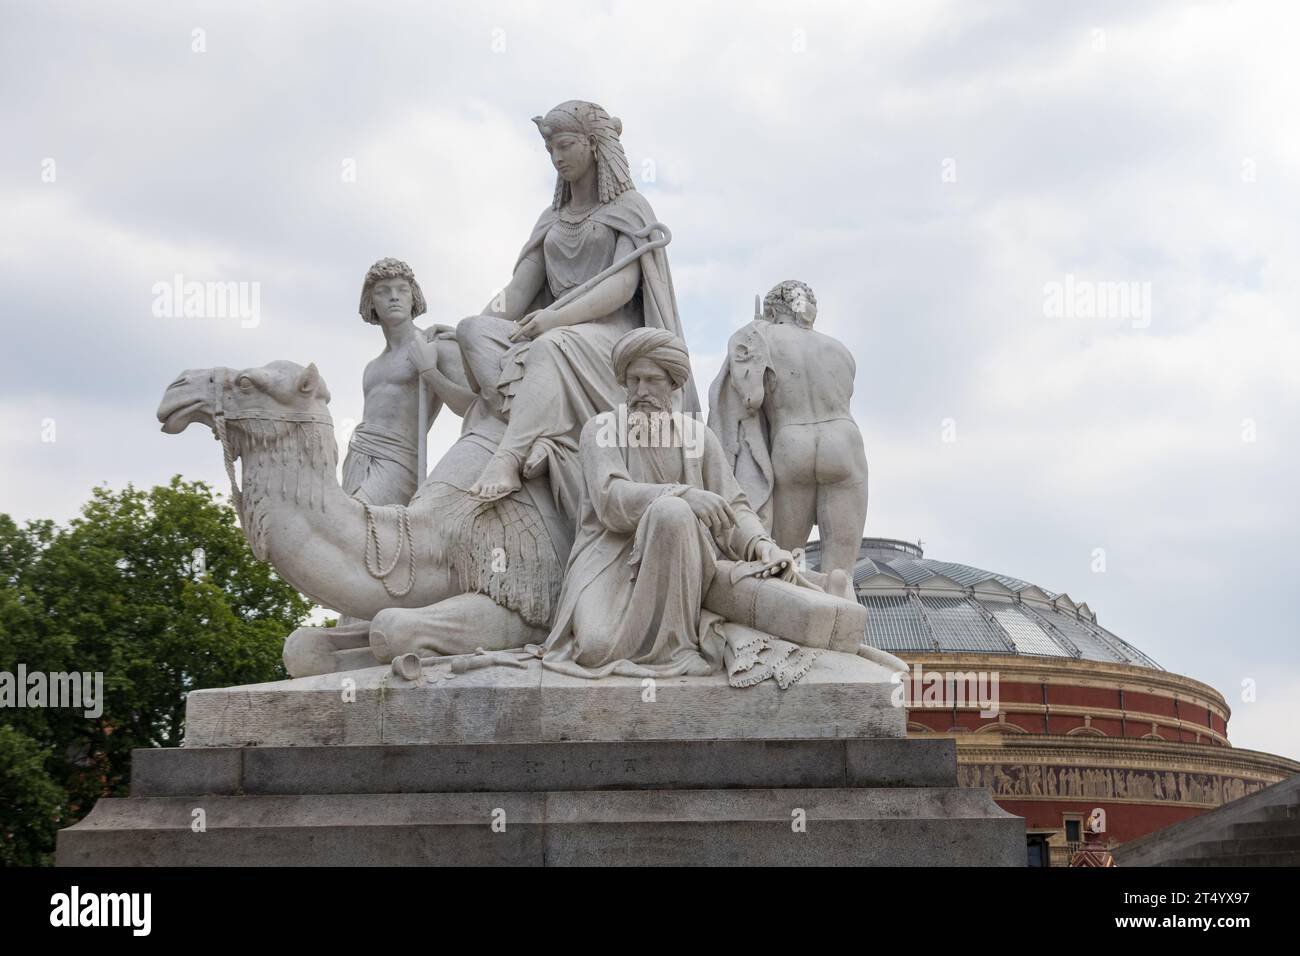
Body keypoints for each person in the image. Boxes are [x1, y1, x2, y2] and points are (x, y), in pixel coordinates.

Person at [542, 328, 857, 680]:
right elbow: (610, 500)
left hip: (684, 565)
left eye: (652, 380)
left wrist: (762, 544)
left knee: (673, 514)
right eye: (633, 380)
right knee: (596, 647)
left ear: (673, 384)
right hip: (611, 561)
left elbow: (733, 507)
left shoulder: (698, 438)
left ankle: (679, 644)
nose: (641, 391)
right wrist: (683, 494)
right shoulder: (601, 430)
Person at [455, 100, 698, 519]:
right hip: (554, 330)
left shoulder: (629, 208)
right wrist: (478, 321)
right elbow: (516, 292)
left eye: (566, 145)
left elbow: (623, 286)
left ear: (595, 145)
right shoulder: (551, 218)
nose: (558, 158)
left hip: (611, 340)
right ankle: (535, 427)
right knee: (471, 331)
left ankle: (510, 457)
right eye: (551, 150)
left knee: (550, 346)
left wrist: (555, 319)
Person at [708, 280, 869, 581]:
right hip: (844, 442)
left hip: (793, 443)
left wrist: (753, 339)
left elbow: (750, 398)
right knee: (840, 574)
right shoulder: (839, 349)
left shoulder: (758, 337)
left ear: (771, 309)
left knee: (784, 566)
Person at [342, 258, 447, 505]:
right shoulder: (372, 368)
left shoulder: (431, 346)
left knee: (356, 523)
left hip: (399, 460)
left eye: (402, 289)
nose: (393, 297)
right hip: (359, 456)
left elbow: (471, 402)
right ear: (371, 302)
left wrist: (430, 371)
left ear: (414, 297)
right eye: (383, 291)